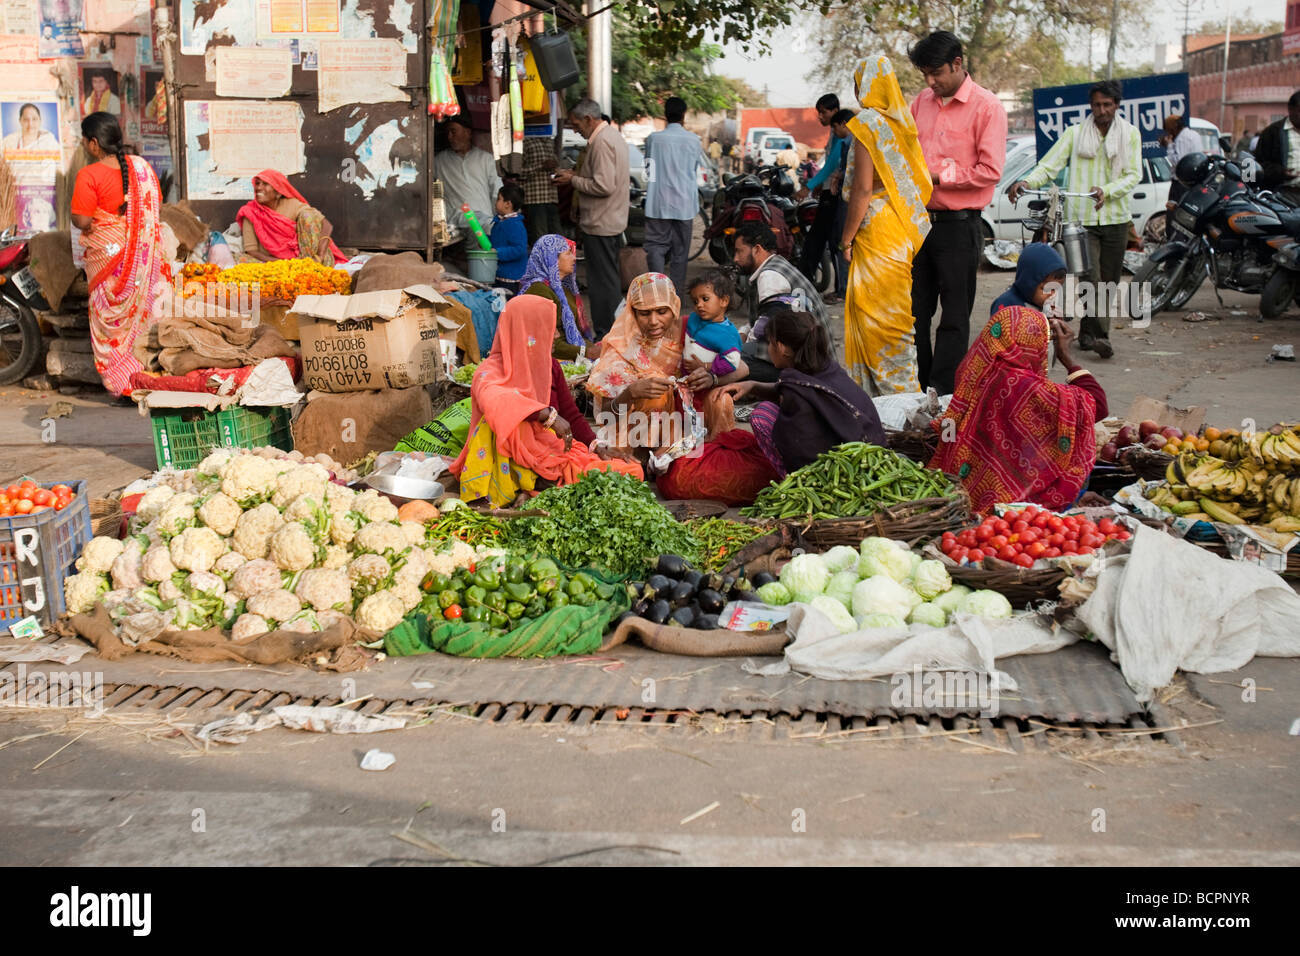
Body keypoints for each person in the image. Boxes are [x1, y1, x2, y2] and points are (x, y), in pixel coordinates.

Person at [451, 295, 642, 508]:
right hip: (513, 461)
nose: (557, 334)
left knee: (633, 471)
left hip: (551, 453)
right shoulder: (490, 371)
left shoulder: (550, 366)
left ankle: (541, 489)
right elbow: (495, 400)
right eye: (550, 326)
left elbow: (571, 415)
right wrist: (546, 415)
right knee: (498, 421)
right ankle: (535, 486)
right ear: (527, 331)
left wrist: (596, 445)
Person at [930, 305, 1107, 513]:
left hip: (966, 489)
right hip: (1011, 505)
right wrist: (1067, 357)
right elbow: (1098, 405)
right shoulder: (1022, 385)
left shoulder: (976, 369)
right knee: (1068, 453)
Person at [1009, 80, 1140, 360]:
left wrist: (1107, 191)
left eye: (1107, 104)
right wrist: (1026, 181)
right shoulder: (1075, 133)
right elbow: (1049, 165)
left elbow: (1133, 175)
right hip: (1081, 220)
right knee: (1090, 280)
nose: (1101, 110)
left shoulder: (1130, 134)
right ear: (1090, 106)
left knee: (1110, 280)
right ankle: (1101, 337)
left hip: (1117, 219)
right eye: (1096, 104)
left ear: (1117, 105)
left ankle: (1089, 333)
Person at [908, 30, 1008, 395]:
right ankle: (915, 390)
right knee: (913, 314)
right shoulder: (921, 101)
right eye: (925, 75)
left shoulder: (987, 106)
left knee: (953, 317)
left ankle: (943, 394)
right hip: (918, 224)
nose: (931, 82)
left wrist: (936, 176)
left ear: (958, 64)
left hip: (960, 227)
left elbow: (989, 170)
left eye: (937, 73)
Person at [839, 54, 934, 396]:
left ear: (866, 85)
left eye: (856, 81)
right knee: (895, 319)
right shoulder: (902, 124)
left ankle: (891, 403)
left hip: (876, 229)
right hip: (899, 230)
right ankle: (905, 397)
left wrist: (846, 240)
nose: (854, 88)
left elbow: (863, 189)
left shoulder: (868, 123)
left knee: (876, 319)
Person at [586, 273, 745, 461]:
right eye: (644, 313)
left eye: (662, 312)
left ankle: (709, 452)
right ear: (633, 312)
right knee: (655, 396)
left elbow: (742, 367)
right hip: (636, 433)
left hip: (685, 425)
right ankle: (644, 458)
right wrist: (630, 393)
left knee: (721, 399)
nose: (654, 321)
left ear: (674, 308)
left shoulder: (691, 328)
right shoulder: (622, 347)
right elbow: (605, 415)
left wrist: (713, 378)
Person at [70, 112, 169, 397]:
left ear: (93, 143)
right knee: (144, 321)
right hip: (145, 262)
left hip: (109, 262)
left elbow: (83, 221)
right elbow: (154, 207)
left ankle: (123, 384)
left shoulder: (89, 175)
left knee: (111, 325)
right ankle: (147, 378)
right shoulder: (142, 168)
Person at [718, 309, 885, 478]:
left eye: (770, 343)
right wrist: (753, 385)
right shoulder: (826, 367)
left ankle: (789, 479)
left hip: (836, 473)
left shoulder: (795, 393)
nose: (768, 348)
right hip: (871, 455)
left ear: (783, 349)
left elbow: (797, 451)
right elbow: (786, 387)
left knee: (762, 415)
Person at [554, 99, 629, 338]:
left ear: (588, 119)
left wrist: (573, 180)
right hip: (606, 220)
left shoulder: (602, 141)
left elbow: (604, 185)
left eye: (576, 124)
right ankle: (610, 331)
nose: (575, 129)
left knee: (603, 284)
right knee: (605, 281)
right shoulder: (608, 137)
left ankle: (607, 333)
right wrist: (576, 175)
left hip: (602, 223)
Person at [732, 223, 828, 382]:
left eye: (739, 251)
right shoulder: (777, 265)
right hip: (810, 355)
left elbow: (762, 329)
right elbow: (762, 318)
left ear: (756, 249)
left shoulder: (770, 276)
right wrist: (741, 334)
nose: (735, 258)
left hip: (809, 365)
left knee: (733, 362)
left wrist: (735, 351)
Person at [642, 96, 704, 298]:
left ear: (665, 115)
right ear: (684, 115)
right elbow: (695, 169)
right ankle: (674, 296)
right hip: (684, 205)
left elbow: (648, 169)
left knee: (656, 248)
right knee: (680, 253)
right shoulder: (694, 140)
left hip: (657, 203)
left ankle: (658, 293)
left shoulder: (653, 139)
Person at [236, 169, 347, 265]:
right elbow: (252, 251)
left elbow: (326, 225)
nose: (259, 188)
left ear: (278, 193)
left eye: (265, 184)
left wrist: (320, 255)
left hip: (304, 258)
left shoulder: (292, 204)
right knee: (239, 259)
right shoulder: (250, 212)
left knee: (308, 215)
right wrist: (283, 264)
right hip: (272, 263)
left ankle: (311, 265)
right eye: (257, 183)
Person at [797, 93, 843, 288]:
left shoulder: (842, 134)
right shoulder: (834, 133)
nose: (820, 117)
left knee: (826, 241)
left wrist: (808, 186)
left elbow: (832, 164)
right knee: (818, 239)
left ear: (834, 111)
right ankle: (806, 281)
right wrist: (817, 185)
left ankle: (838, 288)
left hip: (835, 194)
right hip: (827, 191)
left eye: (823, 112)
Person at [518, 233, 591, 349]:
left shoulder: (564, 289)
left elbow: (578, 333)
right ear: (551, 259)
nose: (574, 258)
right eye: (568, 254)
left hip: (574, 352)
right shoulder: (538, 291)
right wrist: (586, 352)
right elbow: (544, 342)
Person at [440, 115, 502, 234]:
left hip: (485, 225)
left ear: (467, 132)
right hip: (455, 224)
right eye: (447, 133)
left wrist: (499, 220)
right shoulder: (438, 161)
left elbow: (496, 192)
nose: (449, 137)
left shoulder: (486, 159)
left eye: (453, 131)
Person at [684, 270, 743, 377]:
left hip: (706, 382)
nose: (699, 305)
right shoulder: (694, 318)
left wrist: (705, 366)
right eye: (695, 301)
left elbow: (732, 362)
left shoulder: (728, 335)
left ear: (724, 301)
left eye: (705, 299)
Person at [990, 243, 1067, 316]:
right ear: (1029, 283)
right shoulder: (1006, 306)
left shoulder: (1044, 306)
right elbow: (997, 328)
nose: (1053, 295)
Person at [1253, 90, 1300, 205]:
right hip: (1285, 195)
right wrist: (1281, 172)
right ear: (1291, 110)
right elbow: (1259, 165)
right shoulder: (1272, 133)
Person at [520, 135, 561, 245]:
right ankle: (542, 262)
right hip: (535, 198)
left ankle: (557, 262)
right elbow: (517, 172)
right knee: (540, 237)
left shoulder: (550, 141)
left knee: (557, 236)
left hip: (551, 196)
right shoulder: (525, 141)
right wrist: (540, 166)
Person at [490, 183, 528, 294]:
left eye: (499, 199)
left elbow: (519, 249)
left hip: (511, 277)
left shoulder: (514, 224)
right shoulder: (501, 221)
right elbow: (498, 240)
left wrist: (496, 252)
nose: (496, 202)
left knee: (508, 304)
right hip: (500, 273)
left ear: (507, 204)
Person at [1160, 114, 1201, 205]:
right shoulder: (1194, 134)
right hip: (1194, 182)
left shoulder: (1182, 139)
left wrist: (1169, 145)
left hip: (1181, 184)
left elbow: (1179, 162)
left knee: (1175, 213)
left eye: (1168, 130)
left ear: (1173, 129)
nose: (1168, 134)